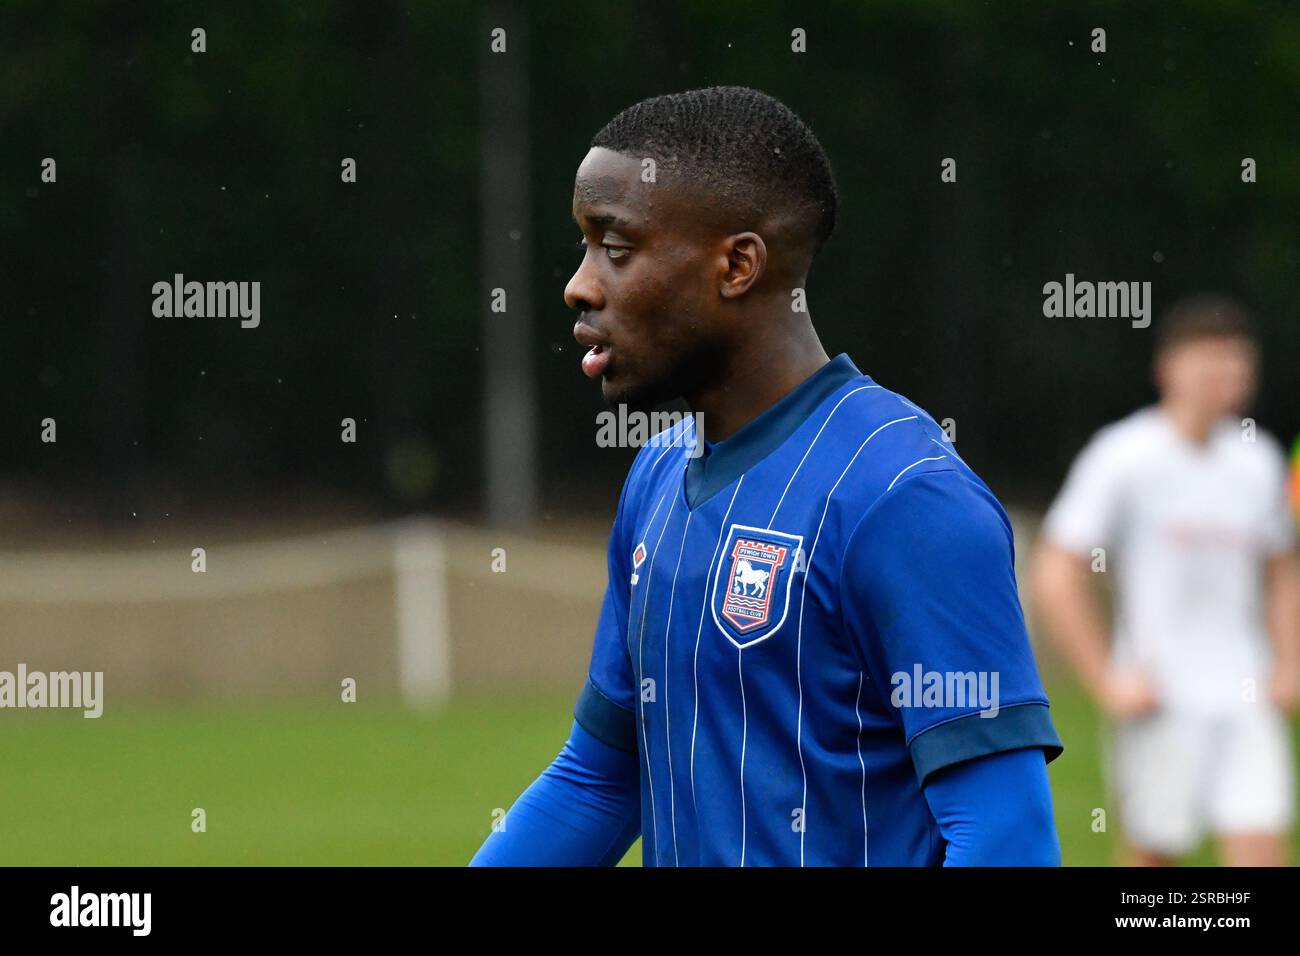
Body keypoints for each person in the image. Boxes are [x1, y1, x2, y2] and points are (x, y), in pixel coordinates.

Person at [472, 86, 1062, 866]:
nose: (580, 284)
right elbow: (602, 779)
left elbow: (1005, 840)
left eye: (614, 249)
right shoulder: (656, 476)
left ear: (738, 265)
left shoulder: (902, 496)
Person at [1033, 295, 1299, 866]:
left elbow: (1281, 569)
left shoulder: (1258, 460)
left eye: (1237, 362)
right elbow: (1056, 570)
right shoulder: (1125, 455)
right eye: (1211, 361)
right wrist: (1106, 678)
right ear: (1170, 368)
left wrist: (1289, 661)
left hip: (1244, 693)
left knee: (1260, 847)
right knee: (1154, 862)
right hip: (1160, 697)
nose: (1227, 376)